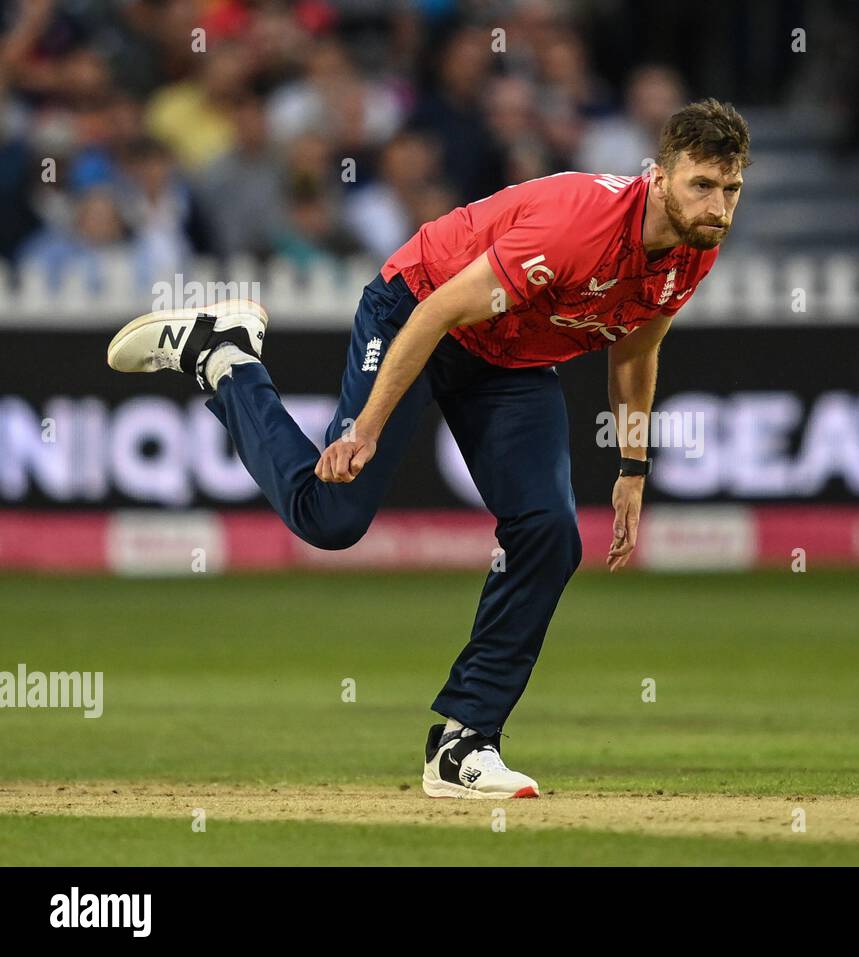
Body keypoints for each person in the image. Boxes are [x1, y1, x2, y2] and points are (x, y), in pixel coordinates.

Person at [105, 98, 750, 799]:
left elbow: (637, 347)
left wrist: (632, 467)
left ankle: (463, 741)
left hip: (511, 358)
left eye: (731, 188)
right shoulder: (579, 227)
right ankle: (225, 358)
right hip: (416, 308)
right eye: (702, 185)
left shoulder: (696, 245)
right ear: (658, 176)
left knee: (548, 535)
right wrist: (365, 428)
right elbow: (438, 311)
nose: (718, 206)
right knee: (331, 517)